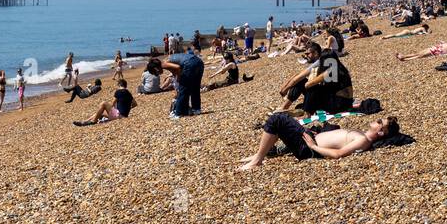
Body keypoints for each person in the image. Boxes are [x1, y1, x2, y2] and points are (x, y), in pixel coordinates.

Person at [238, 114, 398, 169]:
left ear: (381, 131)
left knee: (278, 119)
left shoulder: (363, 140)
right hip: (311, 140)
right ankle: (258, 155)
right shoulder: (361, 134)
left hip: (308, 149)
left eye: (379, 122)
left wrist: (313, 145)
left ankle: (257, 160)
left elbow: (338, 154)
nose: (376, 121)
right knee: (283, 123)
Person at [164, 46, 204, 118]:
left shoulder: (164, 63)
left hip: (189, 64)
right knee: (195, 87)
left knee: (183, 90)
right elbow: (174, 71)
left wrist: (179, 79)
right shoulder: (175, 57)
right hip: (199, 62)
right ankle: (196, 109)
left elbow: (177, 68)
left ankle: (178, 113)